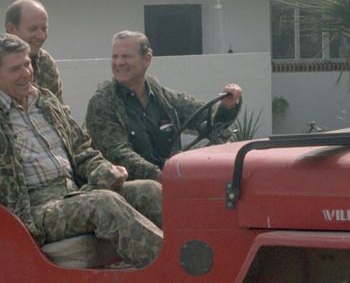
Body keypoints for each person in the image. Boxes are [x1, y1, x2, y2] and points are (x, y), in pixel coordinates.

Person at [0, 34, 162, 268]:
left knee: (150, 190)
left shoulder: (46, 101)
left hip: (75, 191)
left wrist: (105, 170)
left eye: (27, 64)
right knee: (105, 203)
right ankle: (174, 272)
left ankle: (185, 261)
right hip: (33, 211)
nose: (26, 73)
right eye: (15, 69)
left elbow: (81, 150)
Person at [85, 30, 242, 182]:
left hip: (169, 178)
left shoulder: (162, 97)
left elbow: (206, 116)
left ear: (146, 59)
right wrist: (162, 177)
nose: (119, 63)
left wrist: (227, 107)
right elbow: (117, 153)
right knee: (149, 189)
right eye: (115, 57)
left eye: (126, 57)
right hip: (129, 186)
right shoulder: (103, 102)